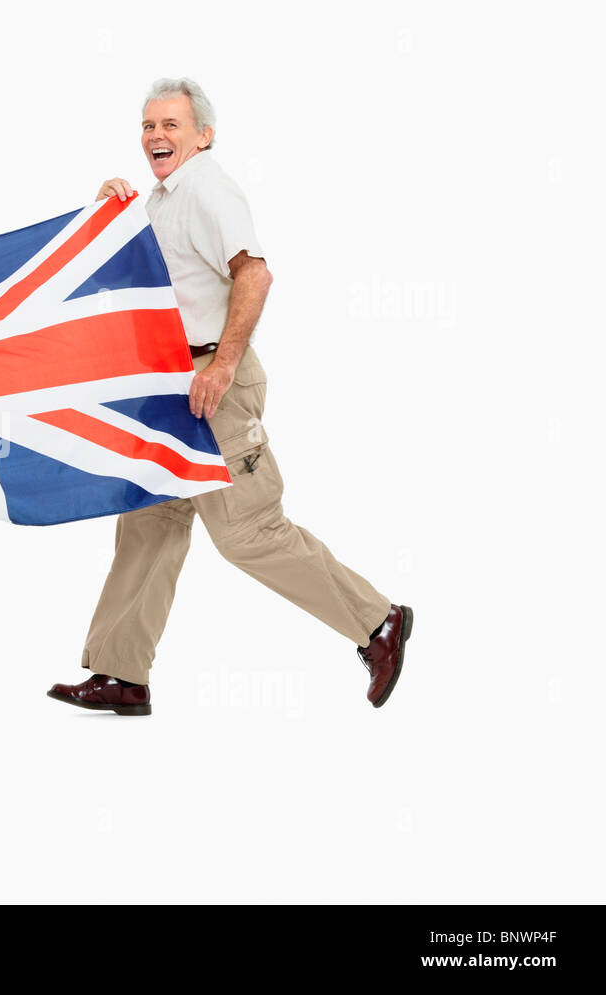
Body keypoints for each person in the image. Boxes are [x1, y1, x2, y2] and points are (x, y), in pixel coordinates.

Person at [47, 78, 412, 717]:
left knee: (250, 532)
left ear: (203, 134)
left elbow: (255, 272)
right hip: (167, 386)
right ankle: (121, 675)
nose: (155, 136)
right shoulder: (164, 198)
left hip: (214, 385)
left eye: (170, 125)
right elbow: (152, 277)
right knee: (149, 527)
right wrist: (111, 209)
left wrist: (223, 365)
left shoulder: (212, 190)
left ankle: (377, 621)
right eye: (147, 125)